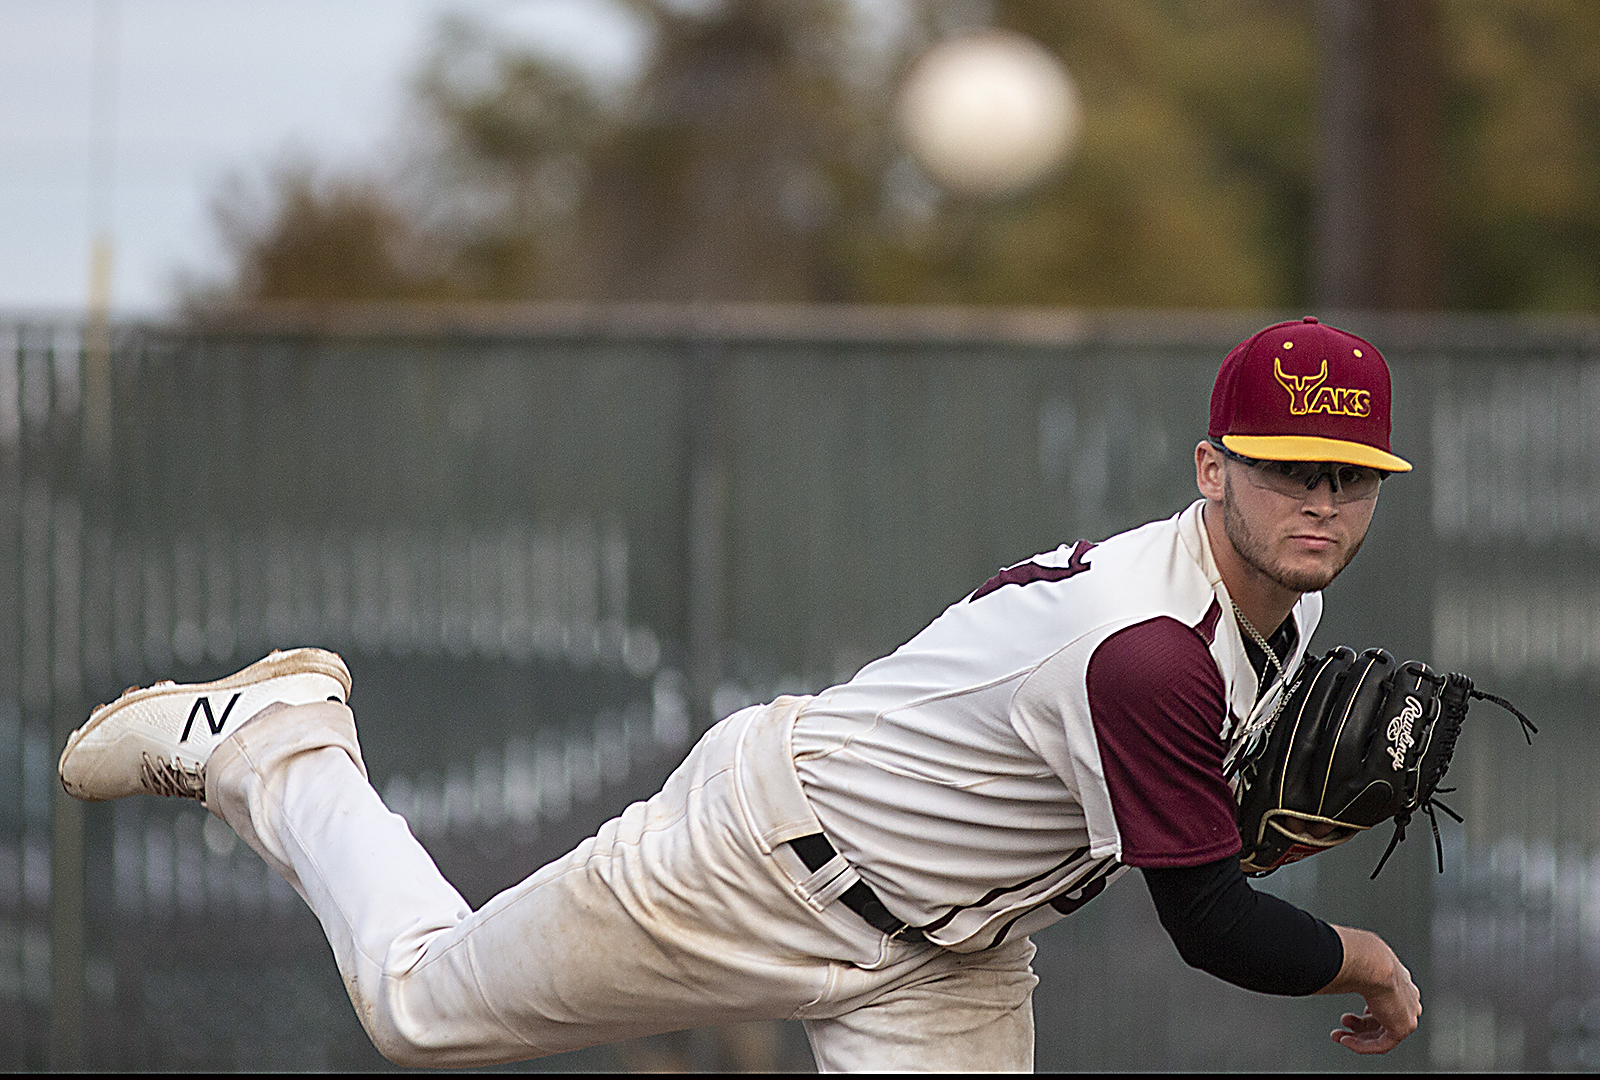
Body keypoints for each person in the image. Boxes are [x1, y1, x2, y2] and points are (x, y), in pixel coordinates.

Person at [60, 317, 1422, 1072]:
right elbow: (1210, 928)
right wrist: (1364, 959)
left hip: (951, 958)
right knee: (419, 1011)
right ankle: (281, 743)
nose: (1318, 498)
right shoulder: (1149, 647)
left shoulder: (1281, 602)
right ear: (1210, 469)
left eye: (1345, 474)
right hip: (765, 863)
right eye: (1285, 465)